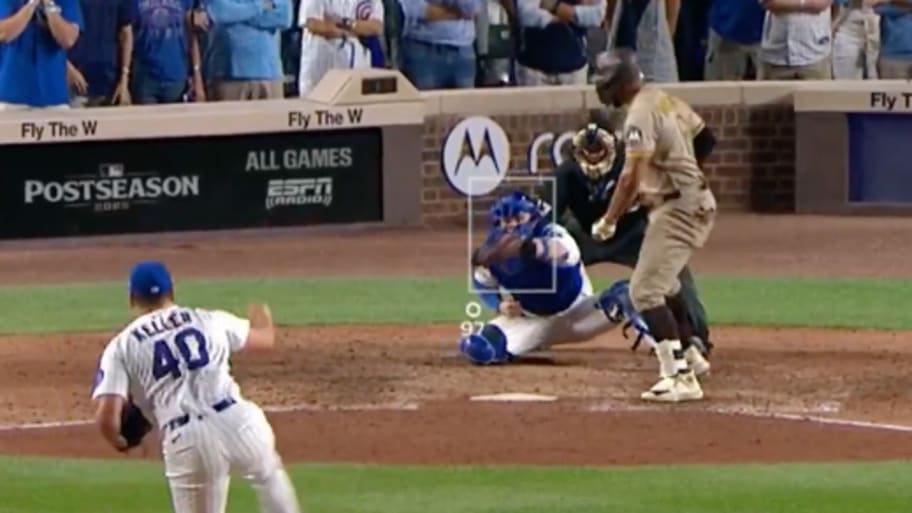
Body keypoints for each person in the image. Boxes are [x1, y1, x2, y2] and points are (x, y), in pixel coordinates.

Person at [90, 261, 302, 513]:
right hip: (240, 421)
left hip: (188, 440)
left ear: (132, 298)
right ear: (172, 291)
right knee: (269, 475)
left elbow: (106, 416)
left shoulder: (122, 346)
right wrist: (263, 318)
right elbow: (264, 339)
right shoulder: (208, 319)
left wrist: (121, 442)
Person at [591, 49, 717, 403]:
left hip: (679, 207)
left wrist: (609, 220)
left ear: (616, 84)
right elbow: (707, 138)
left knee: (644, 291)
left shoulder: (639, 116)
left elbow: (630, 177)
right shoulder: (664, 100)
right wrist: (687, 173)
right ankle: (692, 354)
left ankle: (678, 375)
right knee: (668, 284)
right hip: (686, 200)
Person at [538, 121, 714, 372]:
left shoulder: (635, 165)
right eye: (588, 150)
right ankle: (529, 322)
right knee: (544, 258)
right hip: (586, 235)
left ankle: (695, 338)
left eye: (598, 148)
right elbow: (546, 217)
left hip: (633, 233)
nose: (593, 155)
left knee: (674, 272)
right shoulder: (567, 173)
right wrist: (548, 246)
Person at [458, 190, 652, 365]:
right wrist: (498, 305)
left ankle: (664, 348)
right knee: (479, 349)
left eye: (518, 218)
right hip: (531, 321)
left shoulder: (553, 232)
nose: (511, 226)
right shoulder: (494, 252)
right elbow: (481, 282)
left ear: (533, 218)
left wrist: (531, 248)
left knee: (625, 294)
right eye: (506, 221)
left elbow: (560, 251)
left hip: (579, 313)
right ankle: (533, 343)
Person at [0, 0, 82, 109]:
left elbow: (68, 39)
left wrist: (50, 8)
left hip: (54, 95)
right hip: (12, 94)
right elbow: (4, 34)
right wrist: (31, 5)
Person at [296, 0, 385, 96]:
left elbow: (376, 27)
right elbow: (313, 24)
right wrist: (354, 30)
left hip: (357, 67)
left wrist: (343, 22)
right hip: (320, 68)